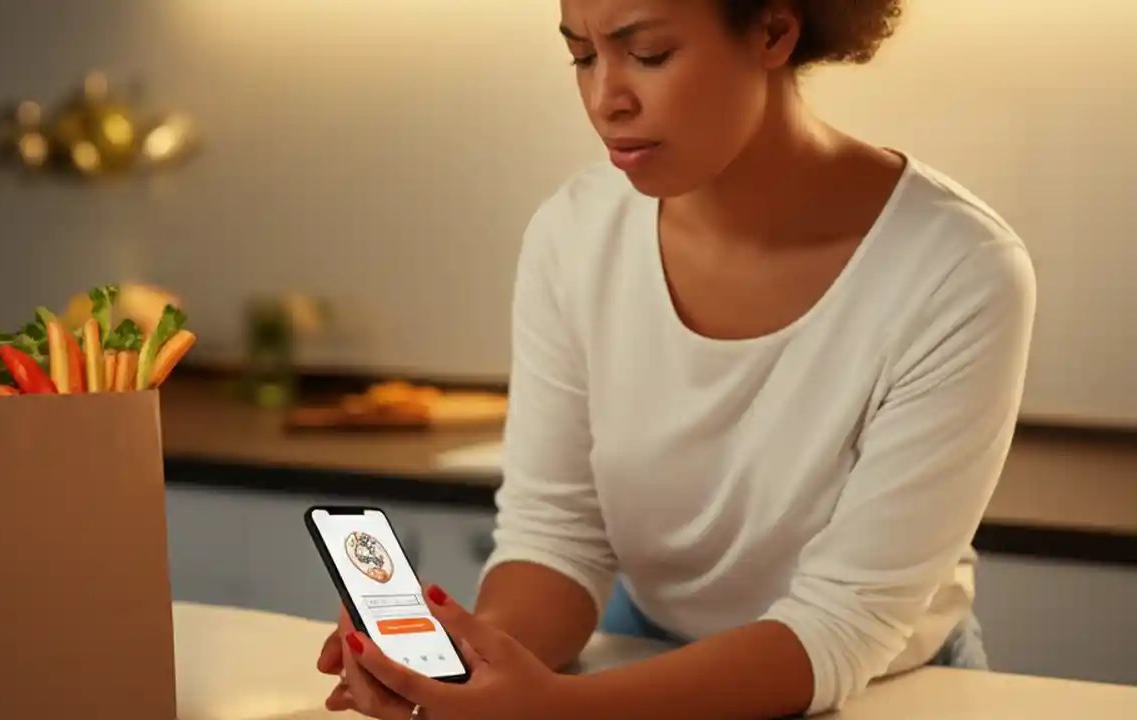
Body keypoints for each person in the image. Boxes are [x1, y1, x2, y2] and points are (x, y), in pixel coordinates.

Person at [317, 0, 1037, 717]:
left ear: (773, 32)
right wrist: (472, 658)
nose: (606, 100)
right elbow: (557, 538)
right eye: (583, 56)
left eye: (650, 54)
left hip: (887, 688)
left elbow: (841, 627)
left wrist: (558, 709)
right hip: (640, 656)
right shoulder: (574, 237)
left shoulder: (958, 269)